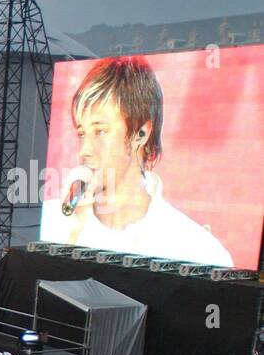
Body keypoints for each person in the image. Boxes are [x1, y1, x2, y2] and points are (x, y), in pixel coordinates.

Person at [40, 55, 233, 266]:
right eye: (82, 134)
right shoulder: (52, 221)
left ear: (141, 134)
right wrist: (72, 235)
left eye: (101, 132)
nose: (84, 151)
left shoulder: (197, 250)